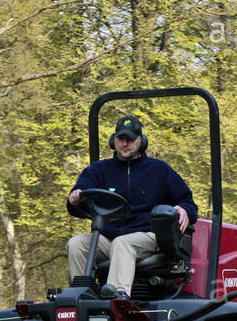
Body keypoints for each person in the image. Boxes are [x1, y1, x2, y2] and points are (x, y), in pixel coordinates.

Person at [67, 114, 198, 299]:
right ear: (114, 140)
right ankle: (82, 297)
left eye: (130, 139)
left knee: (123, 243)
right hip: (108, 237)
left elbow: (188, 202)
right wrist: (75, 198)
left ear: (141, 141)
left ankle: (116, 298)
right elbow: (78, 198)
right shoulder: (98, 171)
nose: (125, 144)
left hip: (147, 236)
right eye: (121, 139)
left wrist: (184, 209)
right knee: (77, 244)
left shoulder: (159, 170)